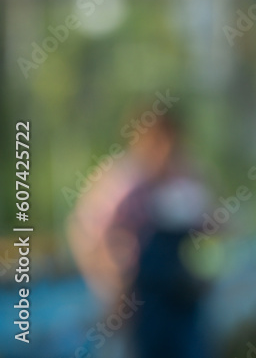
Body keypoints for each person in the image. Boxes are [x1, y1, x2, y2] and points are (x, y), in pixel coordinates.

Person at [66, 111, 210, 358]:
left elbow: (214, 223)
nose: (167, 151)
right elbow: (86, 234)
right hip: (137, 298)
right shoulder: (123, 183)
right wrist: (110, 286)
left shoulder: (184, 177)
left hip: (178, 297)